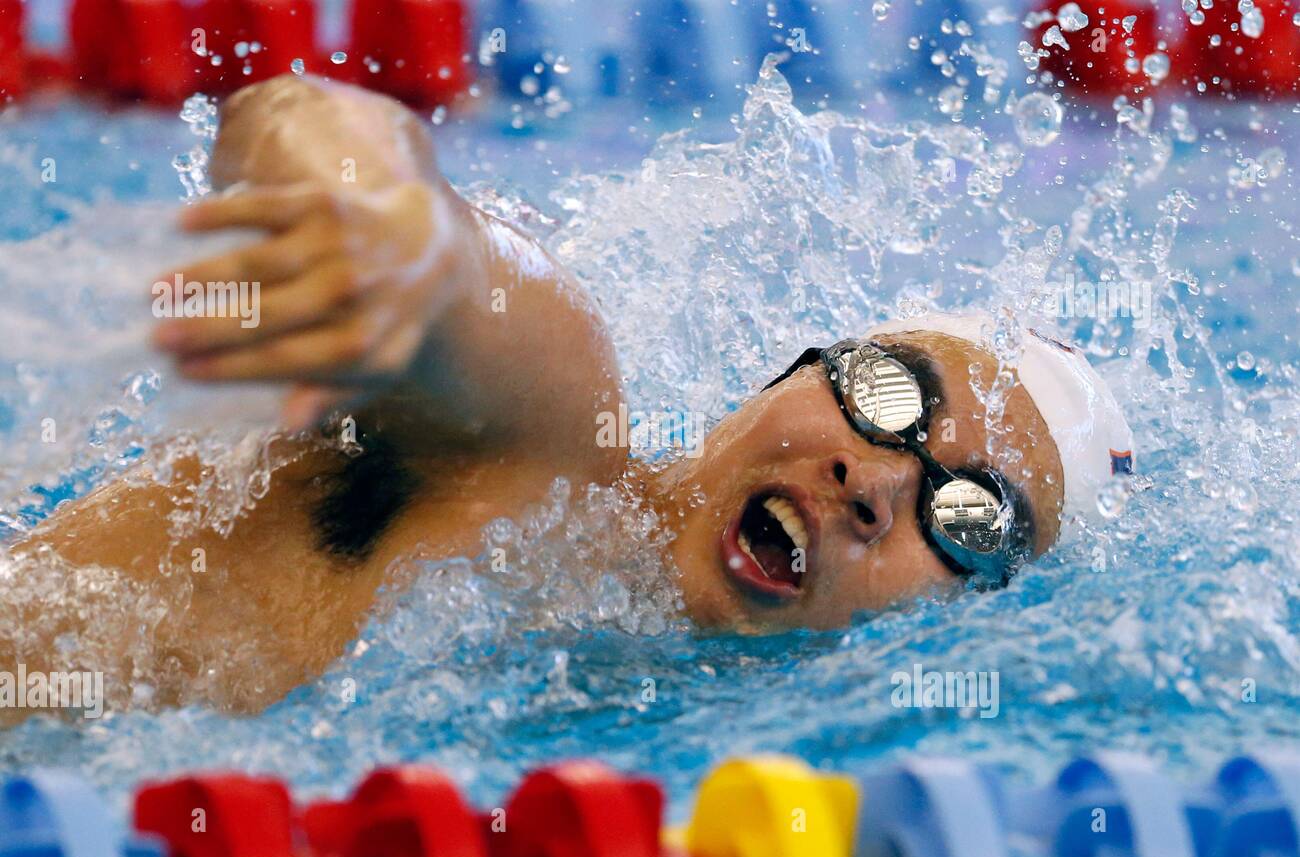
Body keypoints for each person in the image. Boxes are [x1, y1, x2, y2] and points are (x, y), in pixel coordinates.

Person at [4, 75, 1133, 714]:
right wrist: (387, 227)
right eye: (887, 394)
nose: (874, 481)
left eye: (967, 519)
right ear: (778, 376)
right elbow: (318, 134)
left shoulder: (683, 734)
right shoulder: (544, 452)